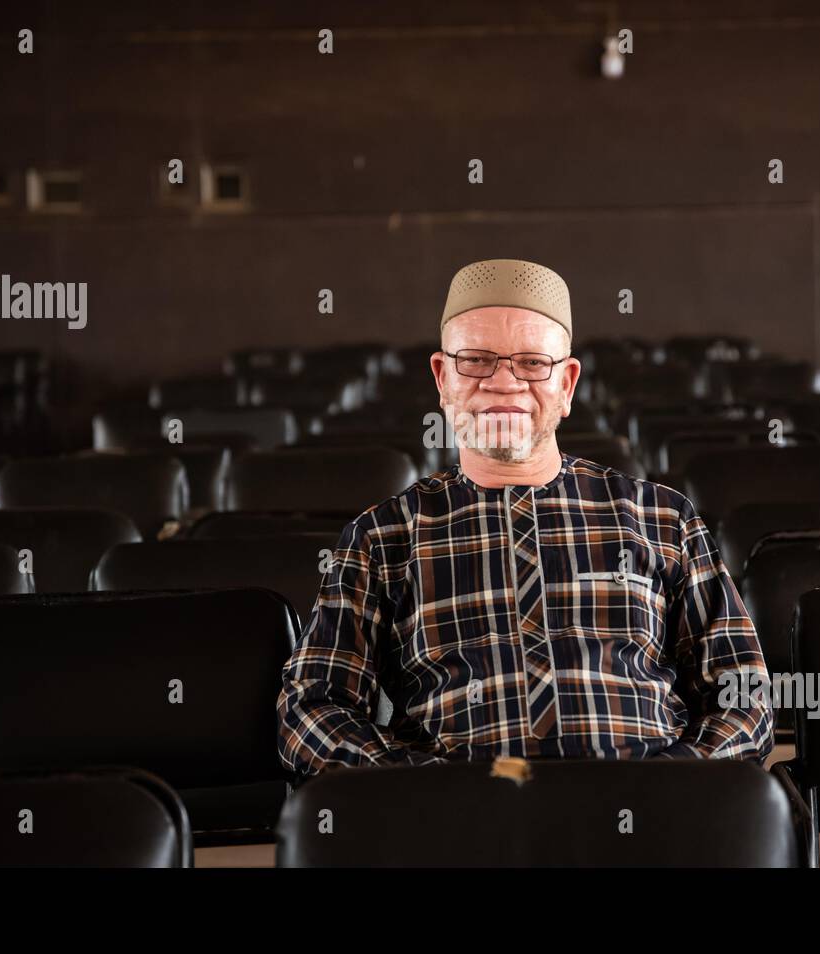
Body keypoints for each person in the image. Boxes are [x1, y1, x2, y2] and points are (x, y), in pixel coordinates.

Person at [277, 258, 772, 781]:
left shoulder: (662, 518)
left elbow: (744, 693)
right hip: (467, 831)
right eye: (475, 361)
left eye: (533, 363)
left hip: (648, 825)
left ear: (567, 384)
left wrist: (675, 783)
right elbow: (310, 711)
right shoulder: (384, 537)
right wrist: (424, 790)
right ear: (443, 378)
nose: (503, 383)